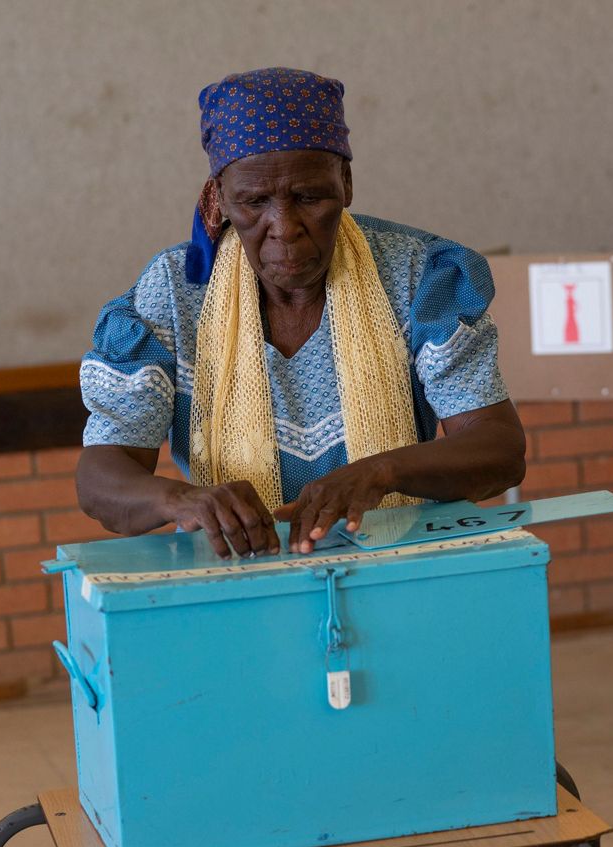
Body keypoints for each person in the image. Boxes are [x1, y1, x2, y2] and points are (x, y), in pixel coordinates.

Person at [76, 68, 526, 559]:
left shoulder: (417, 275)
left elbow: (499, 449)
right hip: (239, 576)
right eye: (253, 202)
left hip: (398, 568)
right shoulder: (173, 294)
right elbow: (101, 478)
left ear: (346, 184)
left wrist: (381, 473)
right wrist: (183, 500)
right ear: (219, 197)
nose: (284, 228)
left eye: (309, 197)